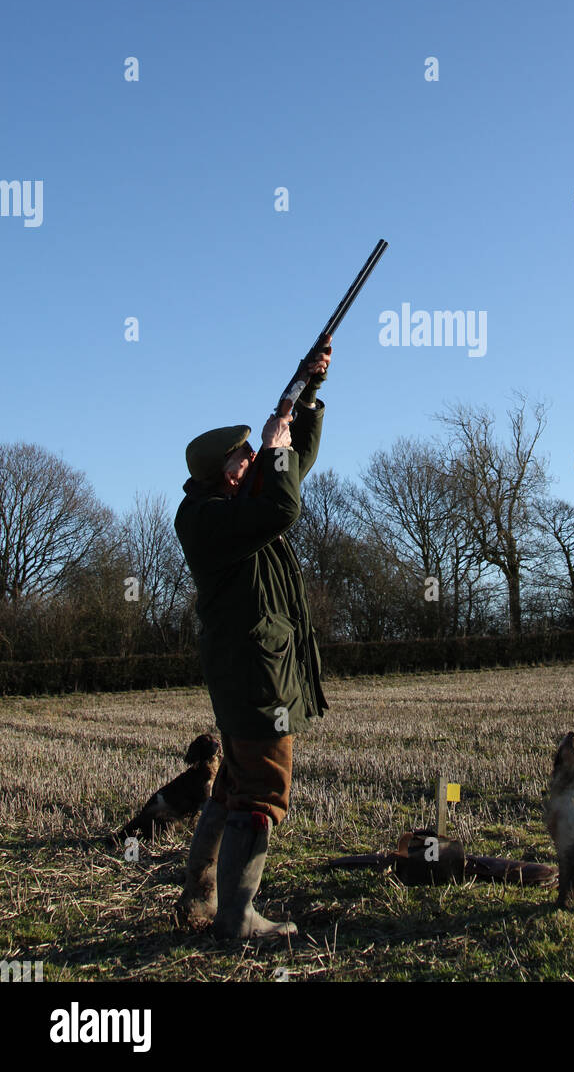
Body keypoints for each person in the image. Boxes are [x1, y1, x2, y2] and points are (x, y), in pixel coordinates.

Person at [173, 340, 331, 942]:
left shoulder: (230, 501)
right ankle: (238, 919)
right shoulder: (212, 520)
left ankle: (201, 891)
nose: (253, 461)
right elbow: (283, 506)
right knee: (263, 789)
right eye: (245, 456)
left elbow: (291, 472)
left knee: (237, 781)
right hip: (255, 673)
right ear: (226, 471)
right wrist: (278, 450)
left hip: (251, 667)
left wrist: (305, 396)